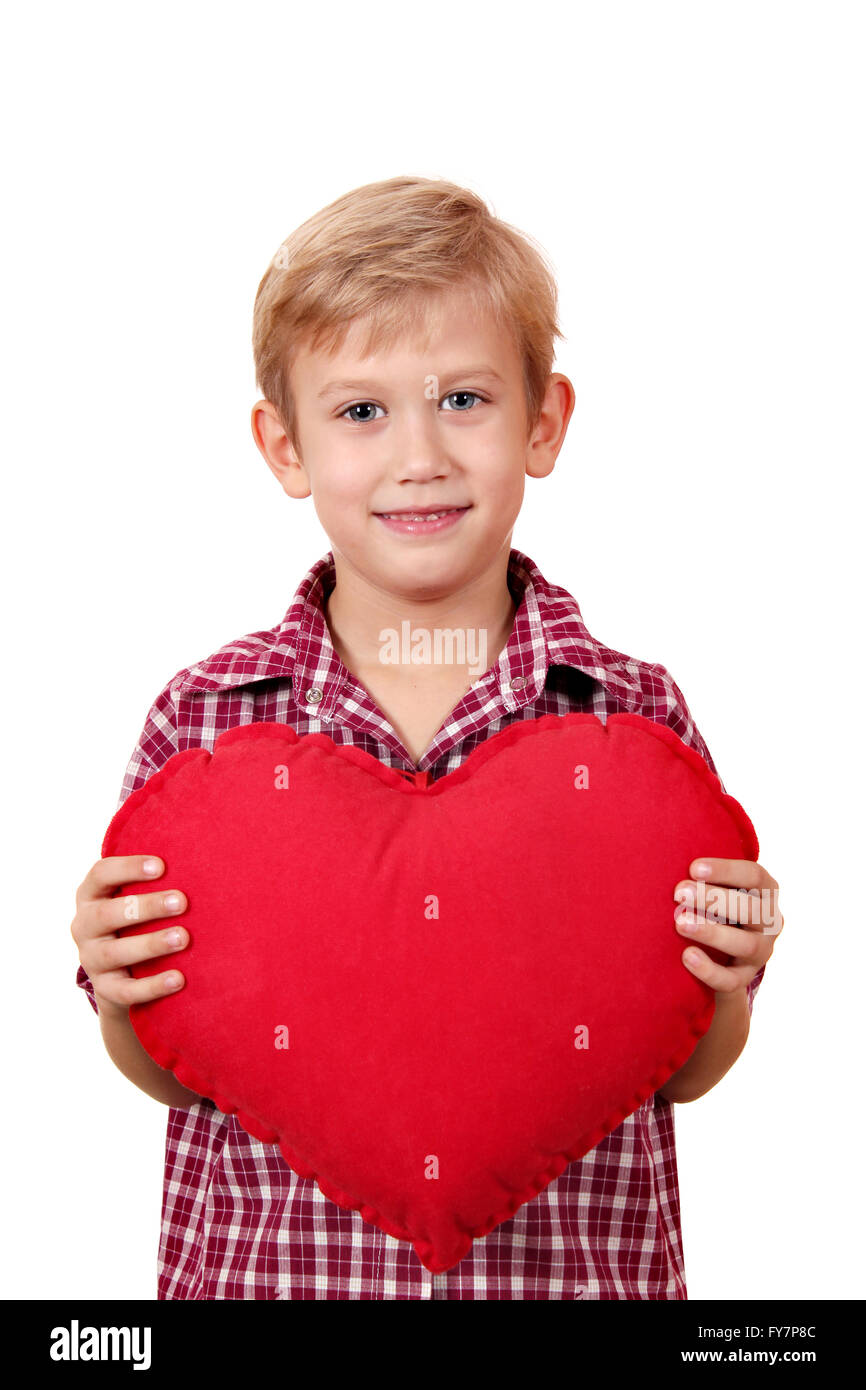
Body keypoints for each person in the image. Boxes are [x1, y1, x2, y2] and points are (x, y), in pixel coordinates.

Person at [71, 175, 783, 1300]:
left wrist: (724, 980)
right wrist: (120, 992)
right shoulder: (204, 719)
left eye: (463, 399)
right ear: (284, 446)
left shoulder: (635, 719)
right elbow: (171, 1068)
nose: (419, 454)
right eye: (361, 411)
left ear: (542, 421)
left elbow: (685, 1065)